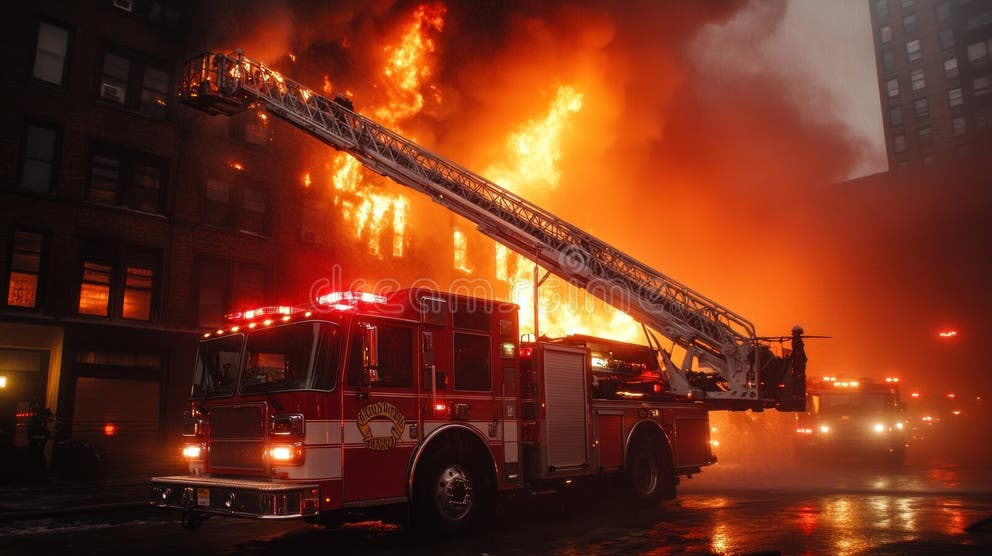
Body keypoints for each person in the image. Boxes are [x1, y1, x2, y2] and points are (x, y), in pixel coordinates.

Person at [26, 402, 53, 482]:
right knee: (38, 457)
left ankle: (37, 476)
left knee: (38, 457)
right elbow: (33, 433)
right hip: (36, 444)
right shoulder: (35, 421)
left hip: (36, 444)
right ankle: (38, 476)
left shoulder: (37, 421)